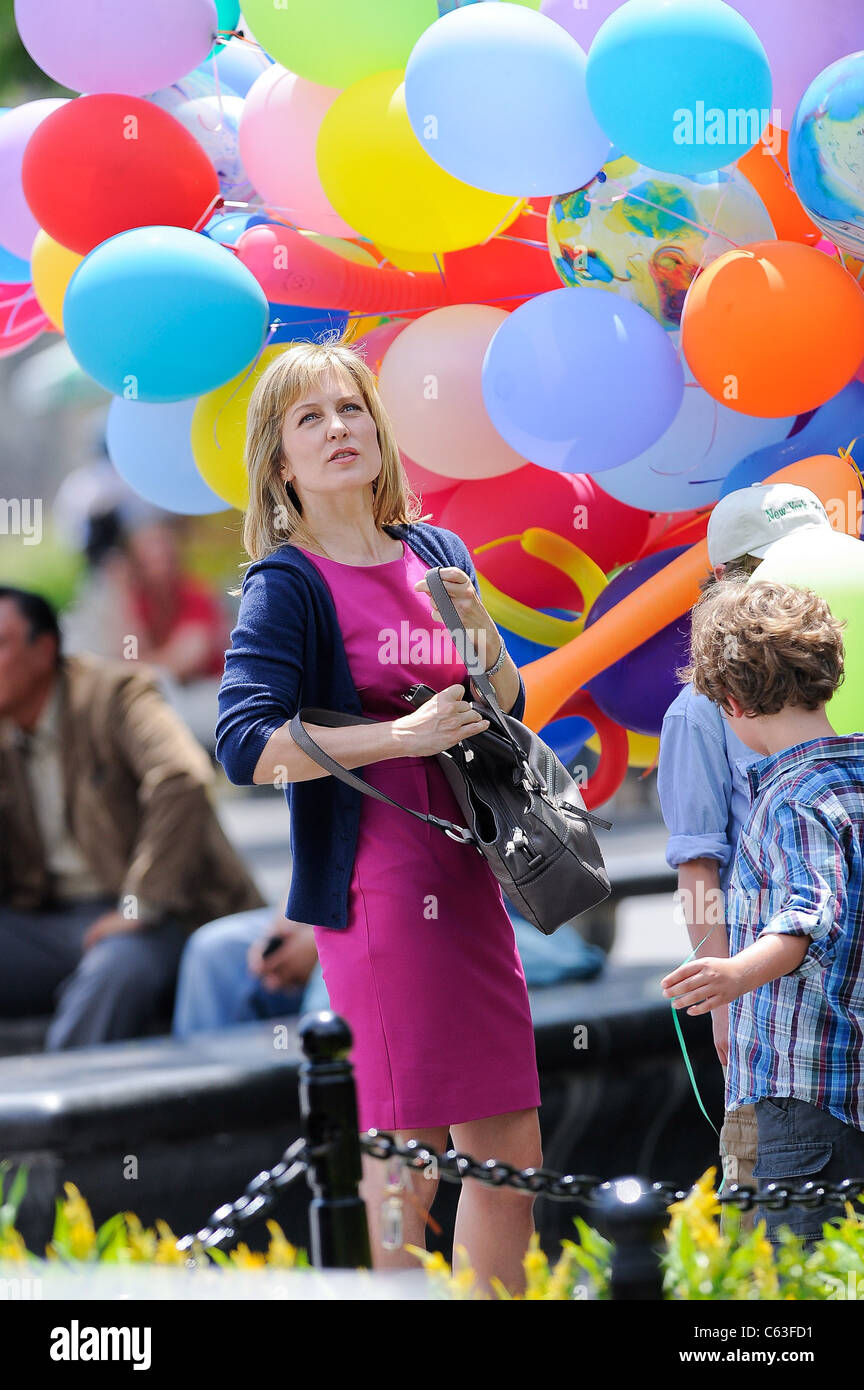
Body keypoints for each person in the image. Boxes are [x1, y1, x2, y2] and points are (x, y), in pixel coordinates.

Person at [215, 335, 542, 1295]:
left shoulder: (436, 550)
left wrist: (480, 637)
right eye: (308, 419)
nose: (337, 429)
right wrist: (400, 738)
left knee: (512, 1154)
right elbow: (245, 747)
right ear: (280, 461)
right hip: (382, 887)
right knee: (411, 1156)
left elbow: (504, 702)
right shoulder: (287, 585)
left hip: (471, 877)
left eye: (350, 409)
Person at [661, 579, 864, 1247]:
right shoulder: (852, 772)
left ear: (735, 704)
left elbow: (811, 913)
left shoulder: (790, 797)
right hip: (846, 1077)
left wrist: (734, 974)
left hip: (805, 1092)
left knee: (802, 1271)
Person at [657, 482, 833, 1208]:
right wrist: (723, 993)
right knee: (762, 1181)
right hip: (767, 1005)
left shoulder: (833, 667)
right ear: (731, 581)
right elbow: (699, 859)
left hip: (839, 989)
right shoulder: (700, 709)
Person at [0, 585, 265, 1049]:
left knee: (117, 968)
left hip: (163, 912)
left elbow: (181, 776)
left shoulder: (117, 693)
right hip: (51, 921)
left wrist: (139, 904)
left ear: (43, 650)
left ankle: (61, 1107)